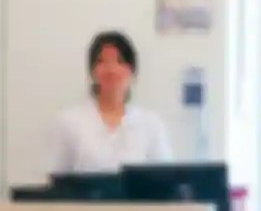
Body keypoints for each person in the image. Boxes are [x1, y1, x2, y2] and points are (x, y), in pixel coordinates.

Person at [46, 31, 172, 174]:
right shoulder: (68, 121)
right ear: (92, 71)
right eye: (102, 61)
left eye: (119, 61)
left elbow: (165, 182)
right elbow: (56, 180)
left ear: (132, 71)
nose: (111, 69)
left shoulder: (151, 124)